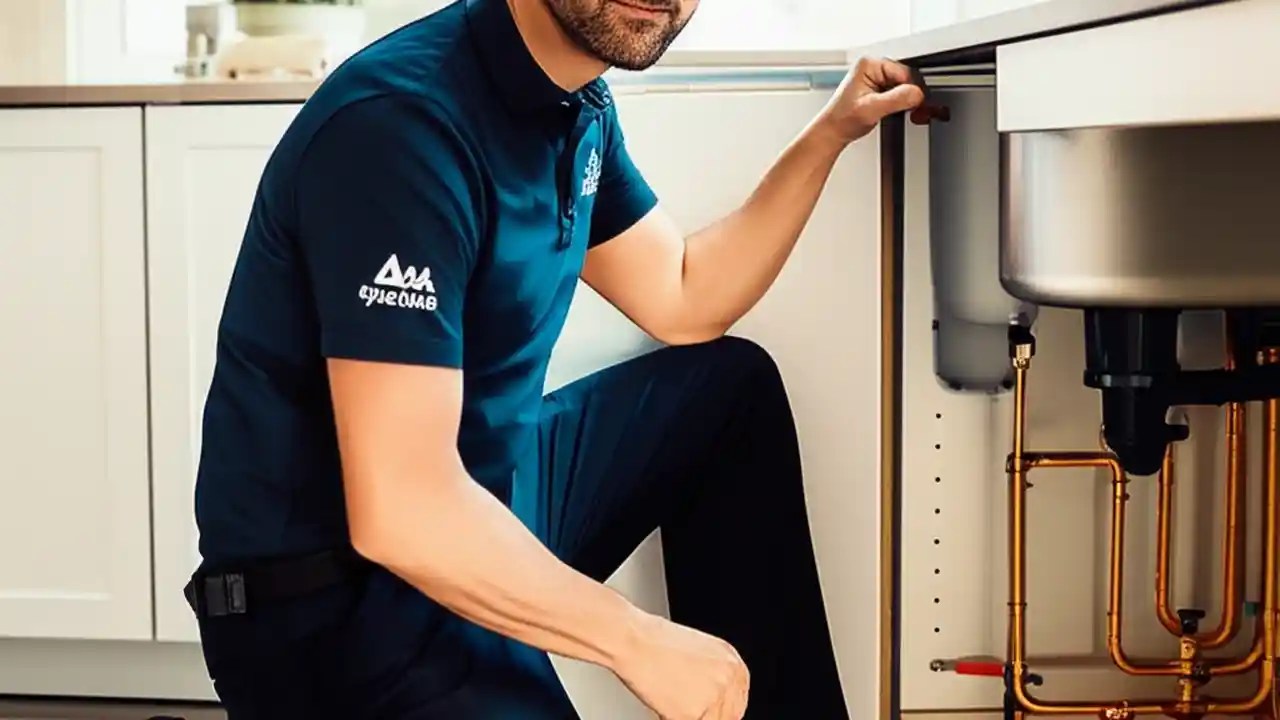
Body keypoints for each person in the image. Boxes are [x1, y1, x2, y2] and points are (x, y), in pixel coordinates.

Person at [185, 0, 925, 717]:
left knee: (727, 395)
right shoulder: (403, 127)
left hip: (482, 492)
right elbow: (402, 511)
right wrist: (637, 642)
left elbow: (683, 294)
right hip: (334, 601)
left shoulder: (575, 103)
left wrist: (830, 133)